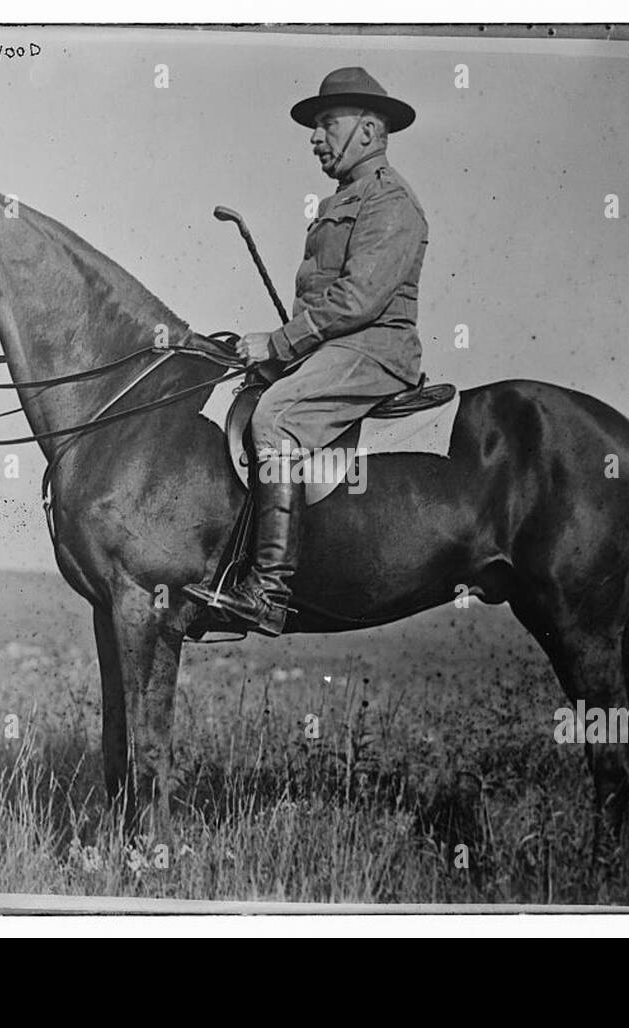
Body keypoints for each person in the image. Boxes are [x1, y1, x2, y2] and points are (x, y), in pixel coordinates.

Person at [185, 67, 429, 636]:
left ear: (368, 131)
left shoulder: (391, 201)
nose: (315, 138)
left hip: (376, 349)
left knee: (276, 417)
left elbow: (357, 301)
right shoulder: (341, 200)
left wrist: (278, 343)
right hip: (338, 345)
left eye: (326, 125)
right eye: (315, 127)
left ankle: (267, 590)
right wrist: (274, 351)